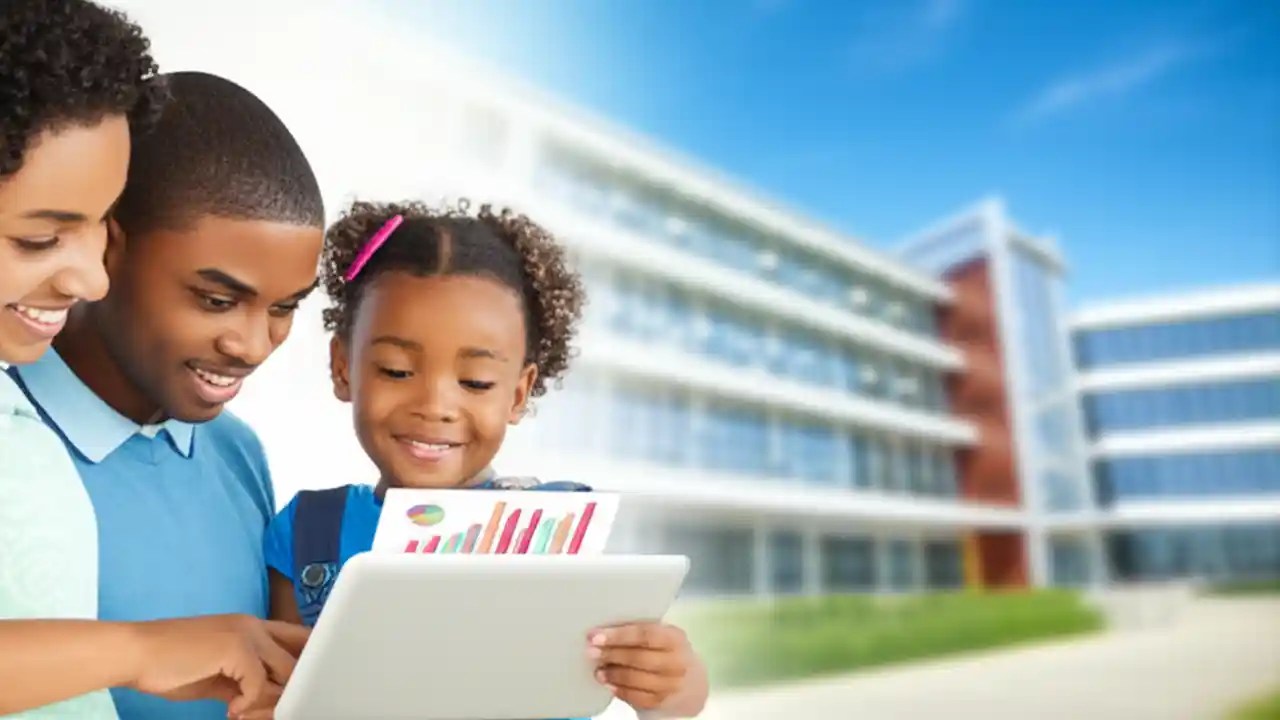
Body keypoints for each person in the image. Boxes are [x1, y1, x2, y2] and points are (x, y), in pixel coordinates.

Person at [263, 200, 710, 718]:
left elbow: (652, 686)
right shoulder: (307, 533)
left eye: (475, 382)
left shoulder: (561, 527)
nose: (434, 406)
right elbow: (281, 692)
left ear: (518, 395)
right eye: (396, 370)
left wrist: (675, 685)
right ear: (343, 369)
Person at [10, 70, 324, 720]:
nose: (253, 345)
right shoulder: (15, 434)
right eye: (216, 300)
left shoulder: (236, 452)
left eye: (285, 307)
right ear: (108, 242)